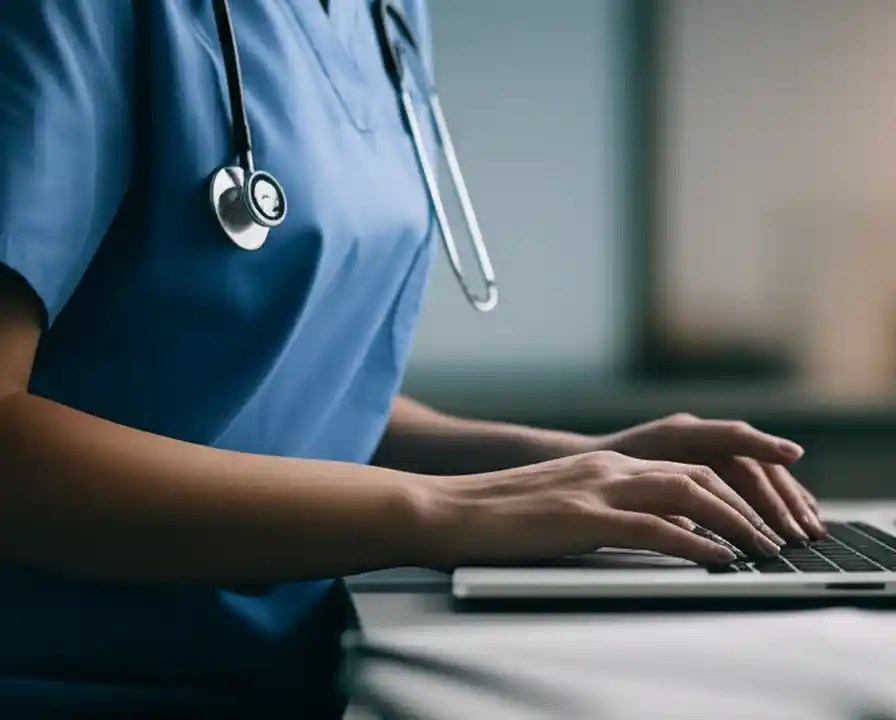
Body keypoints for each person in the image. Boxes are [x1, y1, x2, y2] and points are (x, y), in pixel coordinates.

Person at [0, 1, 822, 715]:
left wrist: (572, 467)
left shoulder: (382, 10)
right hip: (73, 686)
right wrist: (446, 511)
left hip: (314, 672)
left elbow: (291, 401)